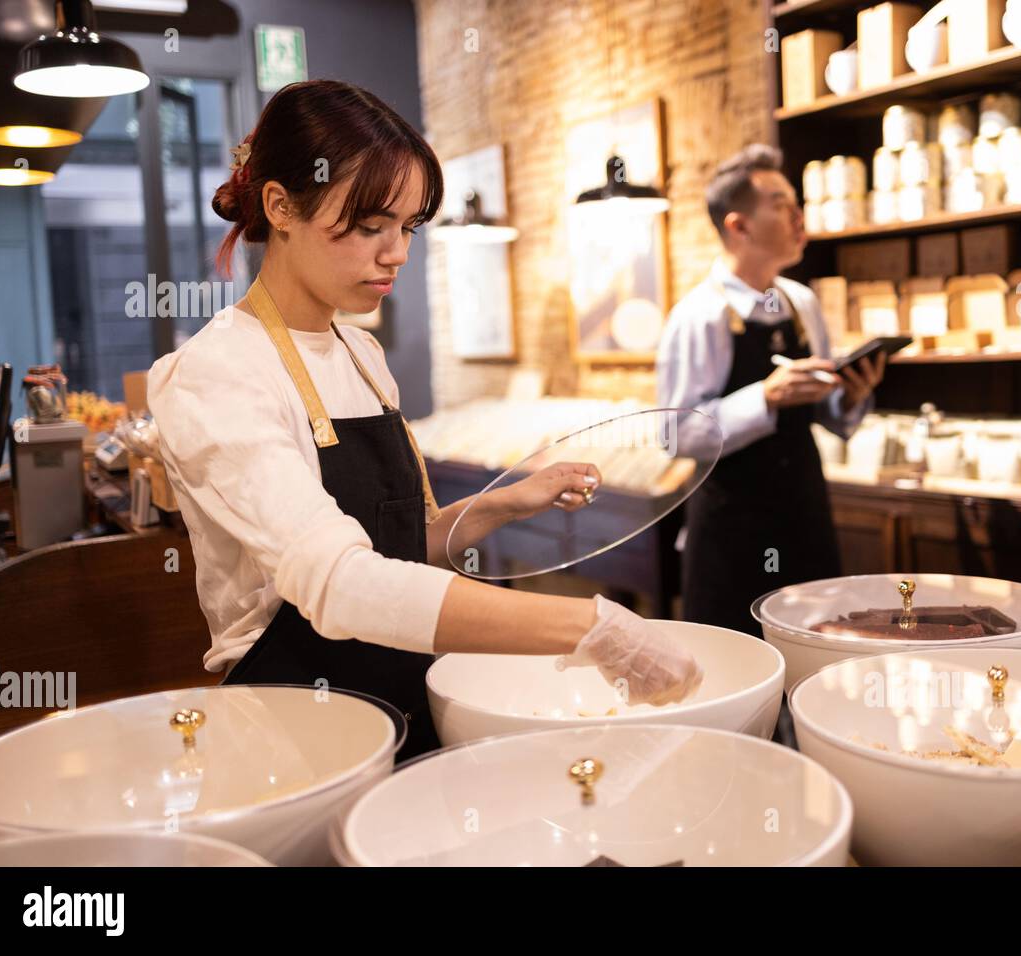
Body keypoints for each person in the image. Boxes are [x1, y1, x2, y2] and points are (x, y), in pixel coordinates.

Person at [147, 80, 701, 761]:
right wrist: (592, 624)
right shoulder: (217, 372)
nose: (397, 253)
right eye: (370, 225)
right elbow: (343, 585)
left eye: (407, 227)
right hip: (294, 736)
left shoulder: (361, 354)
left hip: (408, 700)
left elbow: (399, 553)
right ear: (281, 206)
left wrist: (503, 504)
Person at [658, 144, 885, 638]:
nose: (798, 216)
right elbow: (675, 434)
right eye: (781, 204)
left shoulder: (800, 302)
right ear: (738, 226)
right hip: (730, 525)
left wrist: (849, 395)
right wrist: (766, 397)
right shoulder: (700, 315)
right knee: (735, 661)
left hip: (803, 506)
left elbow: (826, 413)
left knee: (816, 652)